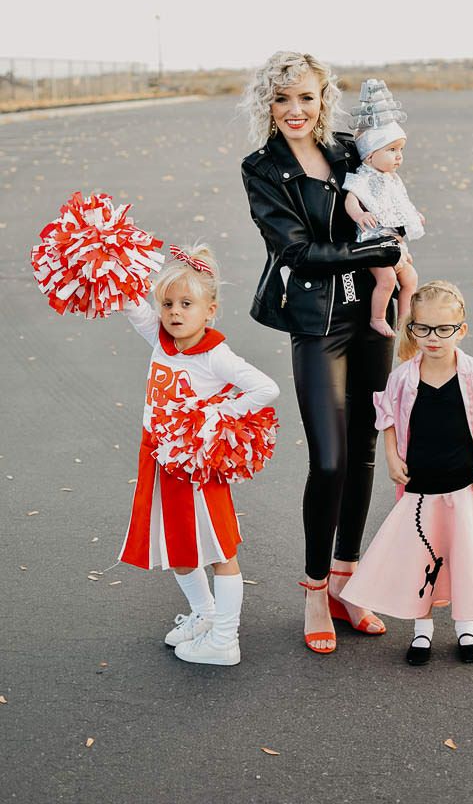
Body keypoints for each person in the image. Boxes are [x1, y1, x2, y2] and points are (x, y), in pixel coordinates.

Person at [241, 51, 403, 654]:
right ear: (268, 103)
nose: (295, 111)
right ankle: (313, 589)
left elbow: (387, 195)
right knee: (329, 460)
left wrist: (394, 245)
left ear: (322, 98)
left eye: (306, 98)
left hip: (370, 317)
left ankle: (345, 581)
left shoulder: (344, 150)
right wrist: (375, 252)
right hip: (316, 324)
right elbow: (295, 250)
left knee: (361, 452)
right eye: (283, 99)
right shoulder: (262, 168)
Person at [341, 279, 473, 666]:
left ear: (462, 330)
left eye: (444, 329)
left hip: (464, 487)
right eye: (422, 328)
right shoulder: (403, 377)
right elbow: (386, 417)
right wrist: (391, 458)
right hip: (420, 487)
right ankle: (422, 632)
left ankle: (466, 627)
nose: (433, 337)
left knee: (463, 556)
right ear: (412, 328)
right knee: (421, 556)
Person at [120, 243, 280, 666]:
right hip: (158, 461)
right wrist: (112, 259)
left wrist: (216, 415)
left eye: (187, 304)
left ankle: (225, 640)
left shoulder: (215, 355)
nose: (175, 312)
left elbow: (266, 388)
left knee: (220, 552)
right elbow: (129, 299)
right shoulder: (159, 339)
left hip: (195, 467)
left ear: (210, 311)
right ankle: (206, 615)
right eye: (168, 303)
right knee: (178, 547)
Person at [343, 79, 425, 338]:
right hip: (374, 243)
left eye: (400, 149)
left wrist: (414, 215)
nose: (399, 156)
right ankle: (377, 318)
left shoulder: (392, 179)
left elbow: (401, 203)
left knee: (410, 277)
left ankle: (404, 319)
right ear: (369, 155)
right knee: (387, 279)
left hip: (394, 243)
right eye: (391, 150)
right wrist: (359, 214)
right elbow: (350, 198)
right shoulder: (364, 176)